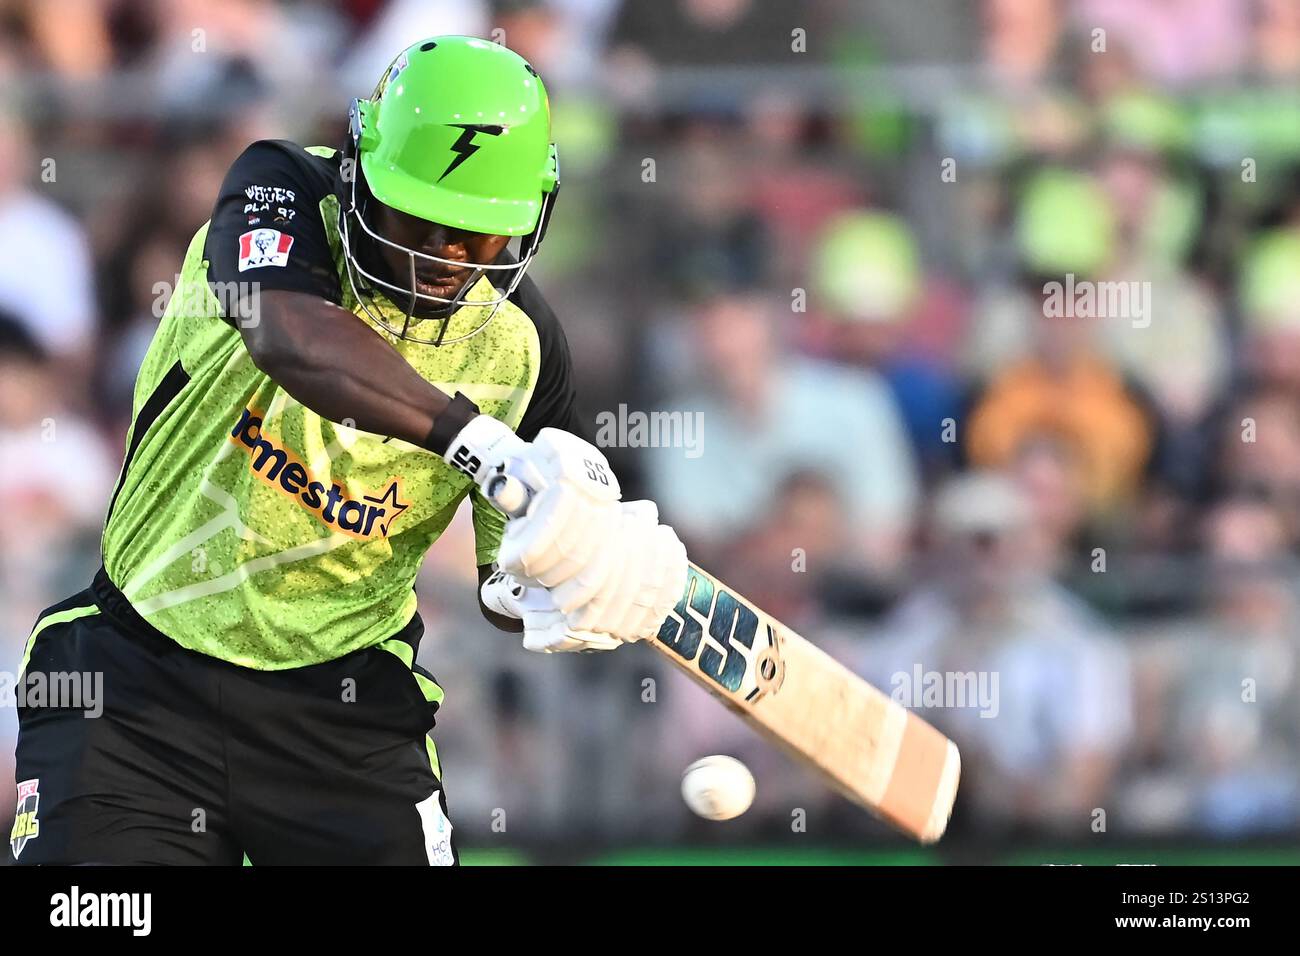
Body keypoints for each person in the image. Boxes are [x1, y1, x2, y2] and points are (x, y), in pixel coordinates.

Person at [9, 36, 685, 866]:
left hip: (347, 714)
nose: (446, 255)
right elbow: (291, 339)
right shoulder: (279, 189)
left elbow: (500, 585)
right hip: (136, 689)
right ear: (362, 168)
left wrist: (565, 587)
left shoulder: (526, 347)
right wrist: (475, 442)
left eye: (478, 235)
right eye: (424, 220)